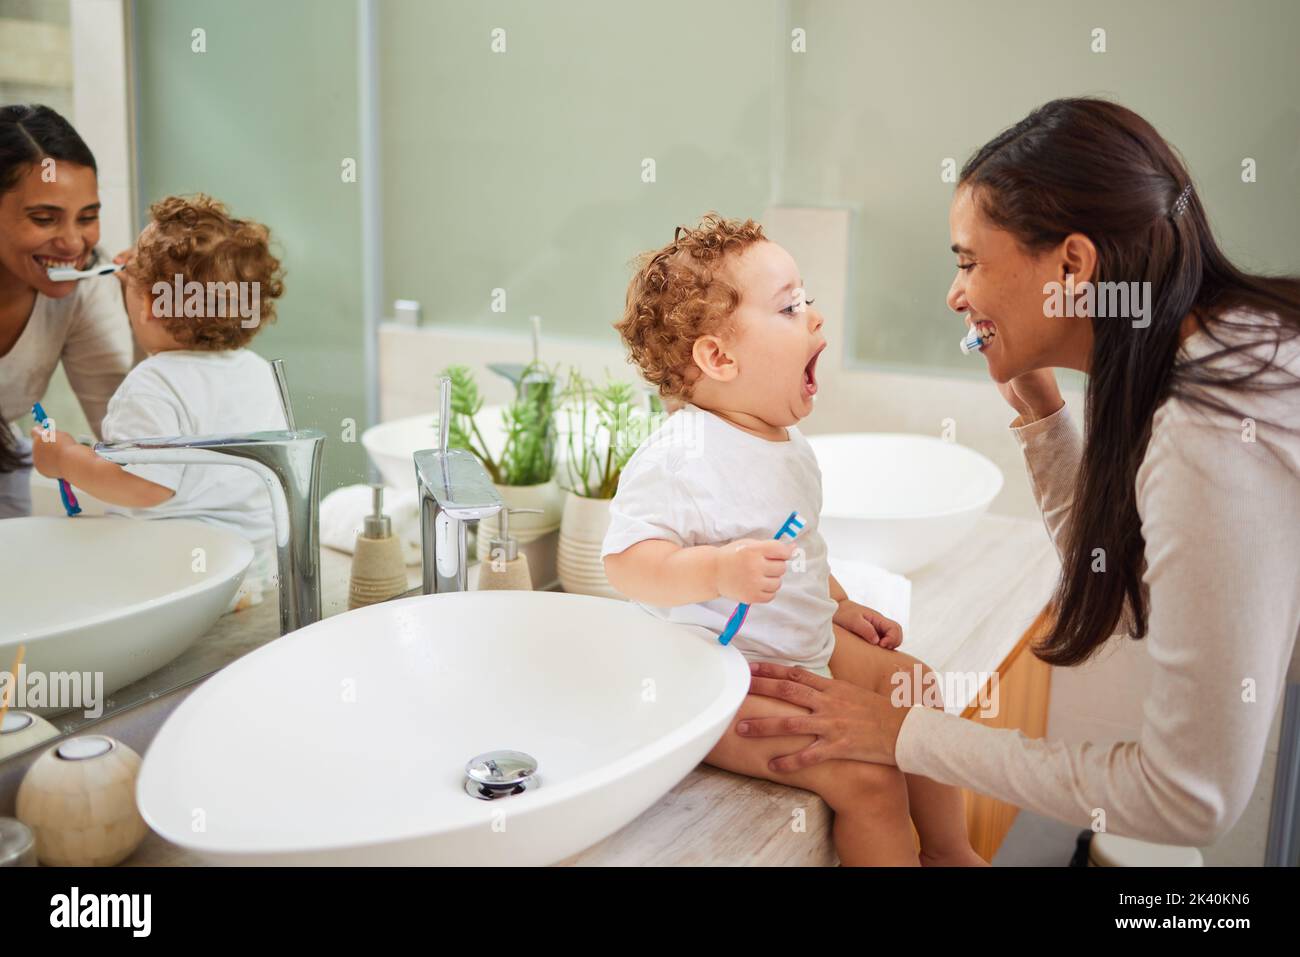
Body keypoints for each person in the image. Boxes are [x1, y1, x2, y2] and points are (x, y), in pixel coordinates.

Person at [741, 98, 1300, 849]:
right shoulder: (1191, 354)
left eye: (968, 261)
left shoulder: (1210, 429)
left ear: (1072, 265)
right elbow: (1131, 587)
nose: (954, 295)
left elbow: (1187, 798)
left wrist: (906, 732)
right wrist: (1041, 416)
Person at [601, 214, 983, 866]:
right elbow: (627, 565)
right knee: (869, 780)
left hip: (804, 650)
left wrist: (839, 604)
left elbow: (799, 544)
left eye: (805, 300)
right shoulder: (682, 453)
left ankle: (950, 851)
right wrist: (717, 570)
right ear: (719, 358)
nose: (815, 318)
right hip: (721, 680)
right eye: (789, 306)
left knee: (916, 688)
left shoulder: (788, 443)